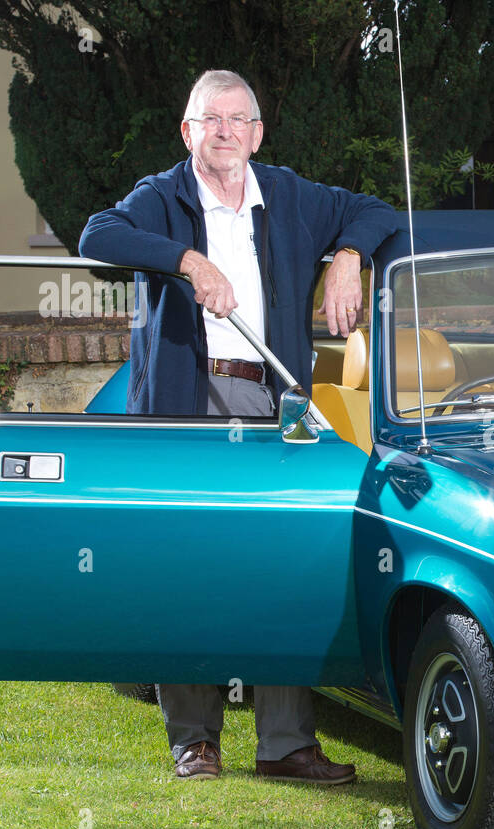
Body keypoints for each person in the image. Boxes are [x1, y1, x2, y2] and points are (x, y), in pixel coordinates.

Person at [79, 69, 397, 784]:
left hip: (271, 400)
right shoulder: (162, 197)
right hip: (183, 399)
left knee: (283, 561)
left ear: (257, 133)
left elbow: (378, 210)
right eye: (209, 119)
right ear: (187, 132)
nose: (225, 131)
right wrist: (188, 261)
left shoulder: (288, 194)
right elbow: (96, 236)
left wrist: (347, 256)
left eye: (238, 119)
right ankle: (195, 740)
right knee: (187, 563)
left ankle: (285, 746)